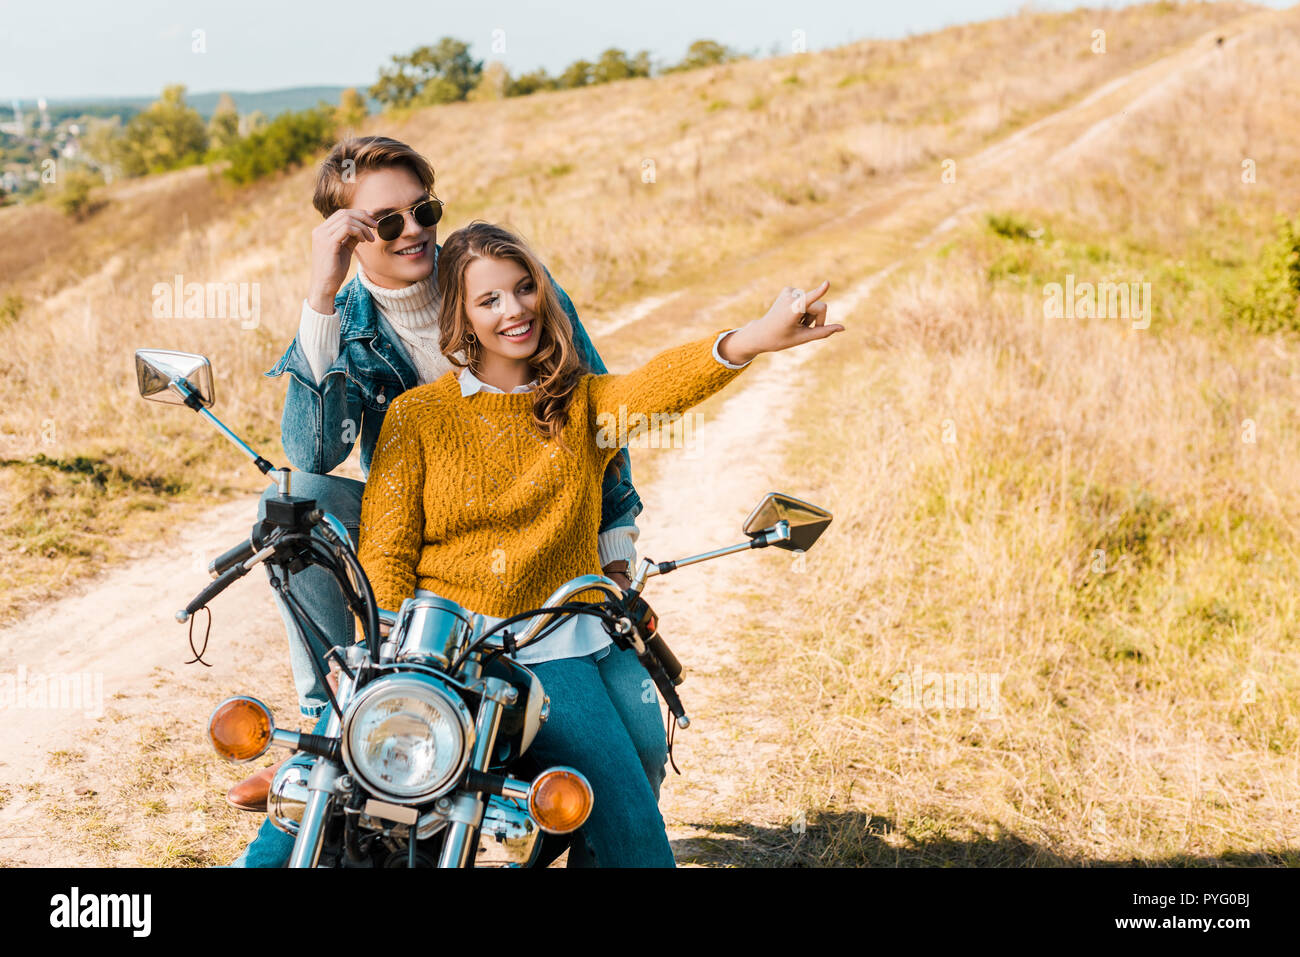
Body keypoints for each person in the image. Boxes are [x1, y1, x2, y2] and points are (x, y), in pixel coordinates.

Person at [352, 221, 843, 866]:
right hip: (480, 644)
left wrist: (755, 339)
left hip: (577, 626)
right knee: (632, 822)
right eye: (489, 300)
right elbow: (385, 550)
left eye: (525, 289)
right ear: (461, 318)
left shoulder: (580, 403)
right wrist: (385, 652)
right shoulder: (419, 416)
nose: (515, 309)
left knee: (644, 743)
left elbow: (656, 386)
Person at [226, 135, 643, 816]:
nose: (416, 231)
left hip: (535, 542)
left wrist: (614, 554)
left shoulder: (499, 285)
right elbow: (312, 451)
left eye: (426, 210)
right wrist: (320, 295)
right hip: (411, 534)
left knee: (635, 735)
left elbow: (595, 409)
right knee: (291, 498)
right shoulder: (346, 321)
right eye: (388, 222)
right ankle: (324, 727)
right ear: (347, 237)